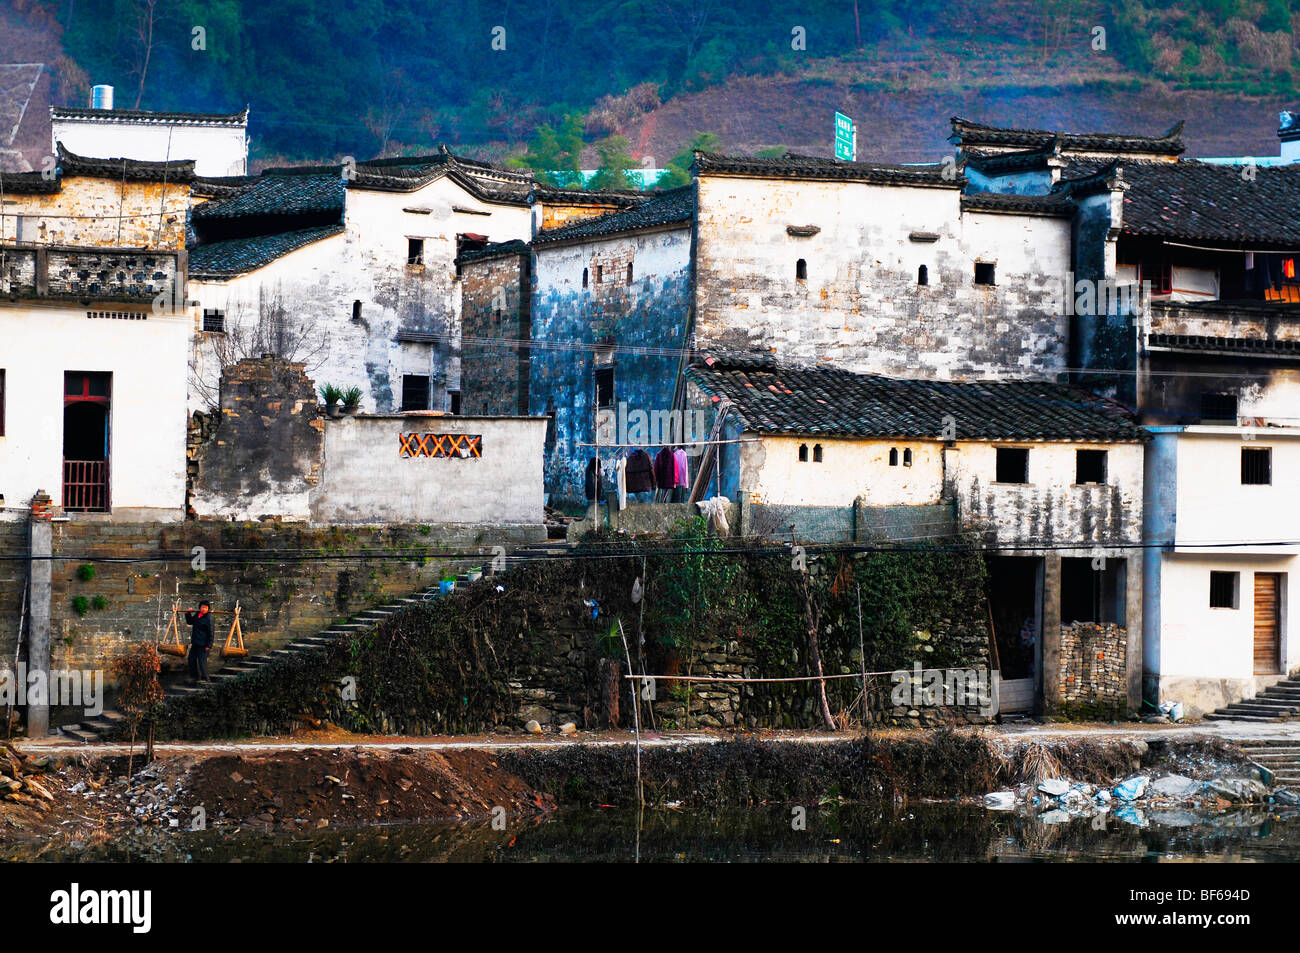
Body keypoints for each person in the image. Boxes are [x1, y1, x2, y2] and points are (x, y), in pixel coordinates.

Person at [185, 600, 215, 685]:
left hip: (204, 644)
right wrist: (188, 613)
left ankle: (206, 679)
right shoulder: (198, 615)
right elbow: (190, 621)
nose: (203, 609)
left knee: (202, 661)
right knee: (191, 659)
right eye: (202, 607)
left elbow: (211, 632)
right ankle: (194, 677)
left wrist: (209, 645)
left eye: (205, 607)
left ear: (208, 609)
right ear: (200, 607)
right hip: (195, 642)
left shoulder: (209, 618)